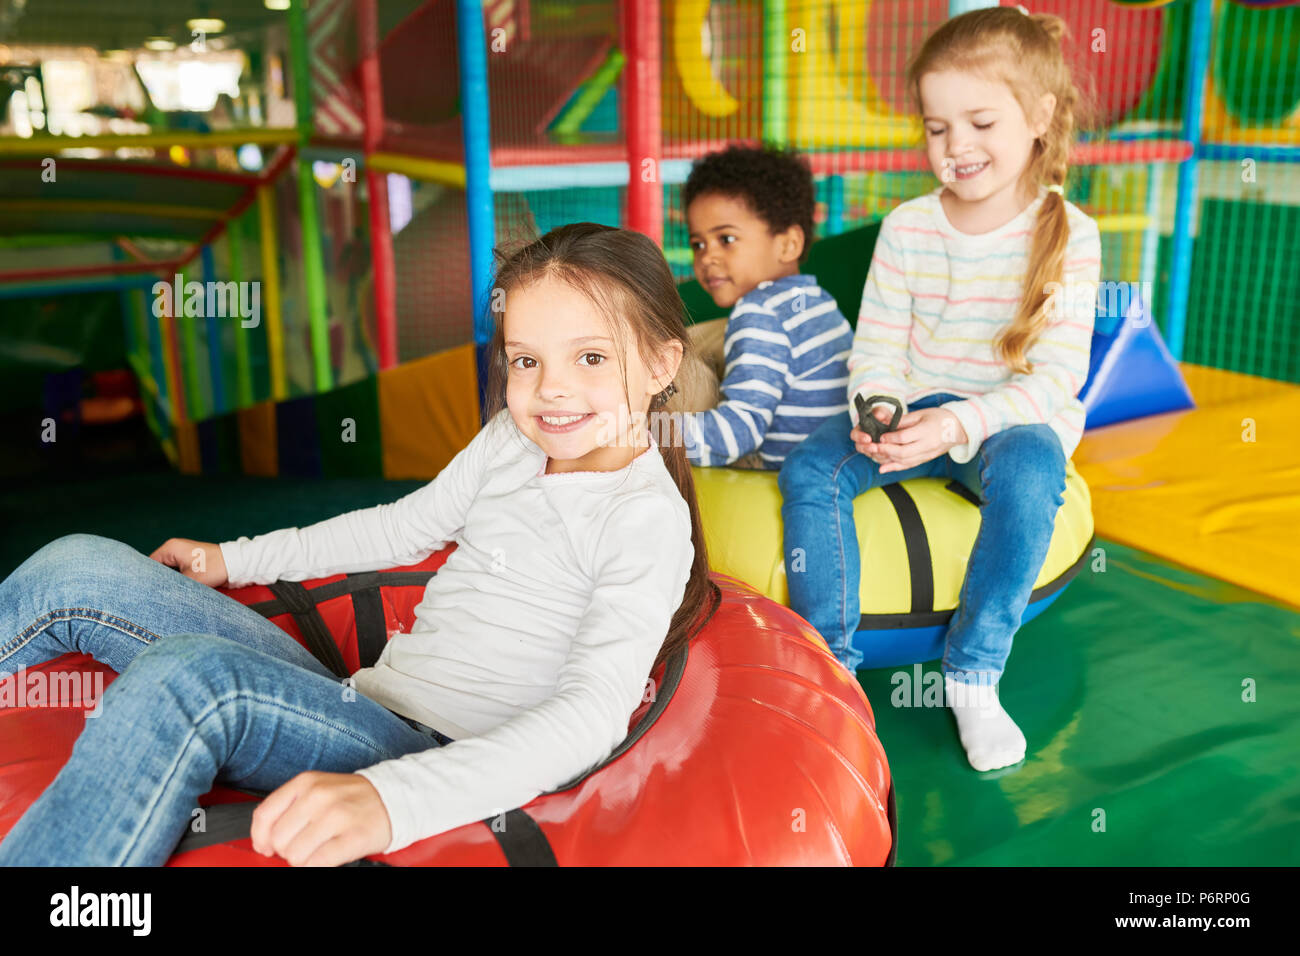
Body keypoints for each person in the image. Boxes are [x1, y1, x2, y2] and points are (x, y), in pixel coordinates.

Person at [0, 223, 713, 866]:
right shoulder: (511, 441)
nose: (552, 390)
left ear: (659, 364)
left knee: (187, 679)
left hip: (430, 750)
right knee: (76, 562)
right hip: (358, 702)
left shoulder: (643, 521)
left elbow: (589, 716)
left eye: (590, 357)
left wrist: (391, 801)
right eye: (526, 362)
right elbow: (400, 528)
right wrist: (231, 557)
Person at [779, 7, 1102, 772]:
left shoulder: (1069, 233)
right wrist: (879, 406)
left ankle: (974, 675)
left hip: (1008, 420)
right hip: (918, 410)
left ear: (1038, 118)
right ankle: (834, 671)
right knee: (809, 469)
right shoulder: (909, 228)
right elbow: (879, 348)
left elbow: (1056, 380)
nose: (956, 147)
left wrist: (959, 423)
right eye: (936, 127)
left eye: (980, 122)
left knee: (1031, 471)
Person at [666, 144, 854, 471]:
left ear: (787, 244)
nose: (706, 257)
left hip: (782, 467)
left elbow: (737, 435)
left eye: (725, 239)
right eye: (698, 244)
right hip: (840, 458)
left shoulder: (758, 313)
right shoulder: (817, 300)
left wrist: (641, 434)